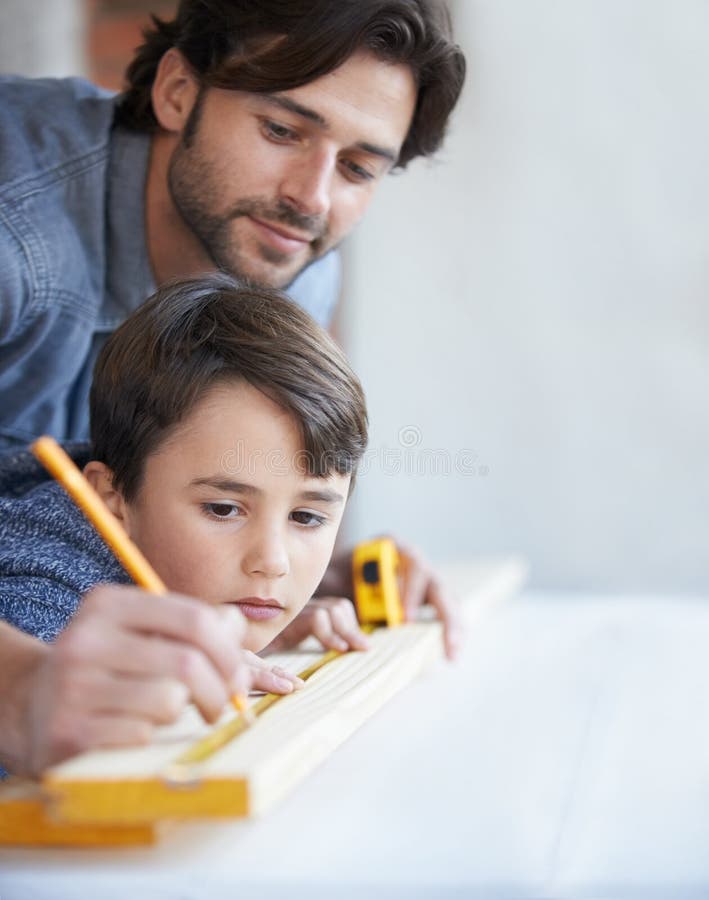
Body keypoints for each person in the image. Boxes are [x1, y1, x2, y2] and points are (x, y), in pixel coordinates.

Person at [0, 0, 464, 736]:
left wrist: (263, 565)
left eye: (356, 167)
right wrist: (21, 691)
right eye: (282, 130)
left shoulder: (287, 262)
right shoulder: (13, 243)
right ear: (178, 92)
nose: (310, 199)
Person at [0, 273, 370, 776]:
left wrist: (234, 641)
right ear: (112, 498)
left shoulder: (189, 571)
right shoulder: (39, 602)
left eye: (306, 516)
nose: (272, 561)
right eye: (223, 509)